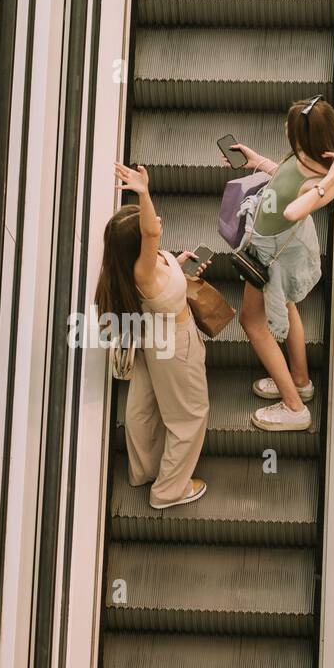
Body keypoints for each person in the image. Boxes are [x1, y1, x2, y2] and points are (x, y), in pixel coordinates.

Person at [95, 163, 210, 509]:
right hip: (175, 344)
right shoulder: (143, 266)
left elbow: (151, 251)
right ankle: (168, 491)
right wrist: (143, 192)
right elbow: (150, 233)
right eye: (148, 222)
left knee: (143, 408)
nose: (156, 222)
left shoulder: (136, 268)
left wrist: (175, 264)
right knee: (189, 416)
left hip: (152, 338)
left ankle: (143, 470)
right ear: (139, 244)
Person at [236, 96, 334, 432]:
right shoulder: (301, 157)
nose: (285, 127)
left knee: (252, 323)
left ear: (303, 136)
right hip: (273, 246)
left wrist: (333, 175)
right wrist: (259, 162)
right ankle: (299, 381)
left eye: (291, 126)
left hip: (274, 254)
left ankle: (294, 407)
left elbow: (293, 210)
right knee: (287, 306)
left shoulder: (324, 180)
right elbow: (284, 182)